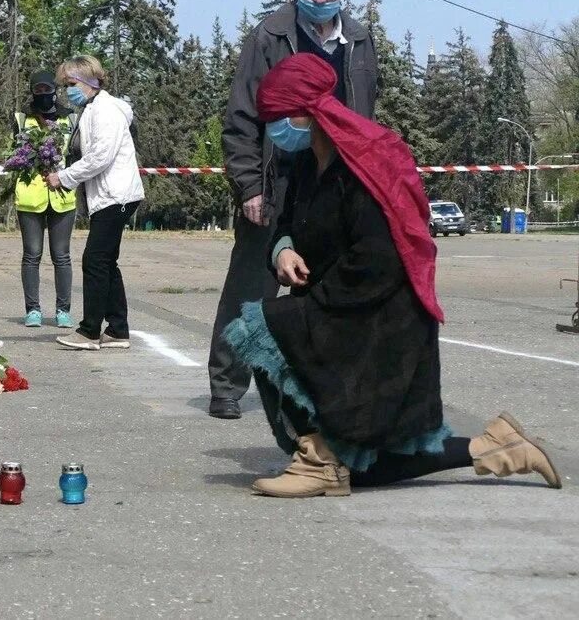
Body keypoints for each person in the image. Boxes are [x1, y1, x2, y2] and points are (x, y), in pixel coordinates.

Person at [222, 53, 561, 497]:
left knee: (259, 324)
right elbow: (286, 223)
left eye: (277, 118)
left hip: (382, 320)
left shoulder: (366, 162)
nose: (273, 130)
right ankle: (493, 446)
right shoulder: (307, 163)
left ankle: (320, 460)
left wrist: (312, 311)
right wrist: (283, 250)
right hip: (347, 309)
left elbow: (380, 259)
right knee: (362, 469)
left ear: (306, 112)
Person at [207, 0, 381, 420]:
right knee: (251, 285)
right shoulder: (269, 36)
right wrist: (249, 186)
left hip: (334, 180)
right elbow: (241, 118)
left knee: (330, 285)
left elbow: (366, 115)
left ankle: (326, 387)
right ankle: (226, 385)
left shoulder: (361, 41)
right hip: (274, 178)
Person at [47, 56, 144, 351]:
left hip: (117, 196)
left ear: (89, 82)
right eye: (65, 85)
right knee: (106, 262)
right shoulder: (90, 109)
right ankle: (117, 330)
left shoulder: (106, 111)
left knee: (95, 261)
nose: (67, 91)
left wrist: (64, 177)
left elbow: (100, 157)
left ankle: (90, 331)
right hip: (108, 197)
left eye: (71, 84)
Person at [13, 70, 77, 329]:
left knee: (61, 255)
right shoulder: (20, 118)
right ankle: (33, 310)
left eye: (46, 90)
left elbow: (76, 153)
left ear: (54, 89)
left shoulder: (70, 117)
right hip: (30, 195)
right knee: (32, 254)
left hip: (62, 194)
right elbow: (12, 153)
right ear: (31, 91)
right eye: (37, 91)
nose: (43, 95)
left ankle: (63, 310)